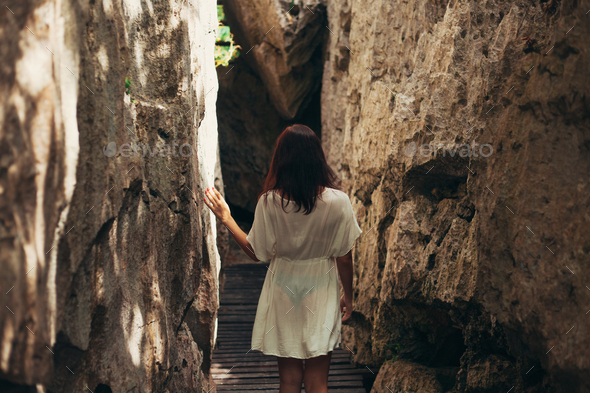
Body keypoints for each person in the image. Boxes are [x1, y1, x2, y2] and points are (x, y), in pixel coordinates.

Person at [203, 124, 363, 393]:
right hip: (321, 290)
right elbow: (344, 258)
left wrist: (226, 218)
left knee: (288, 381)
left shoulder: (269, 202)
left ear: (281, 159)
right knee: (318, 382)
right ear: (317, 157)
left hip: (283, 290)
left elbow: (256, 253)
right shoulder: (339, 202)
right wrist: (348, 295)